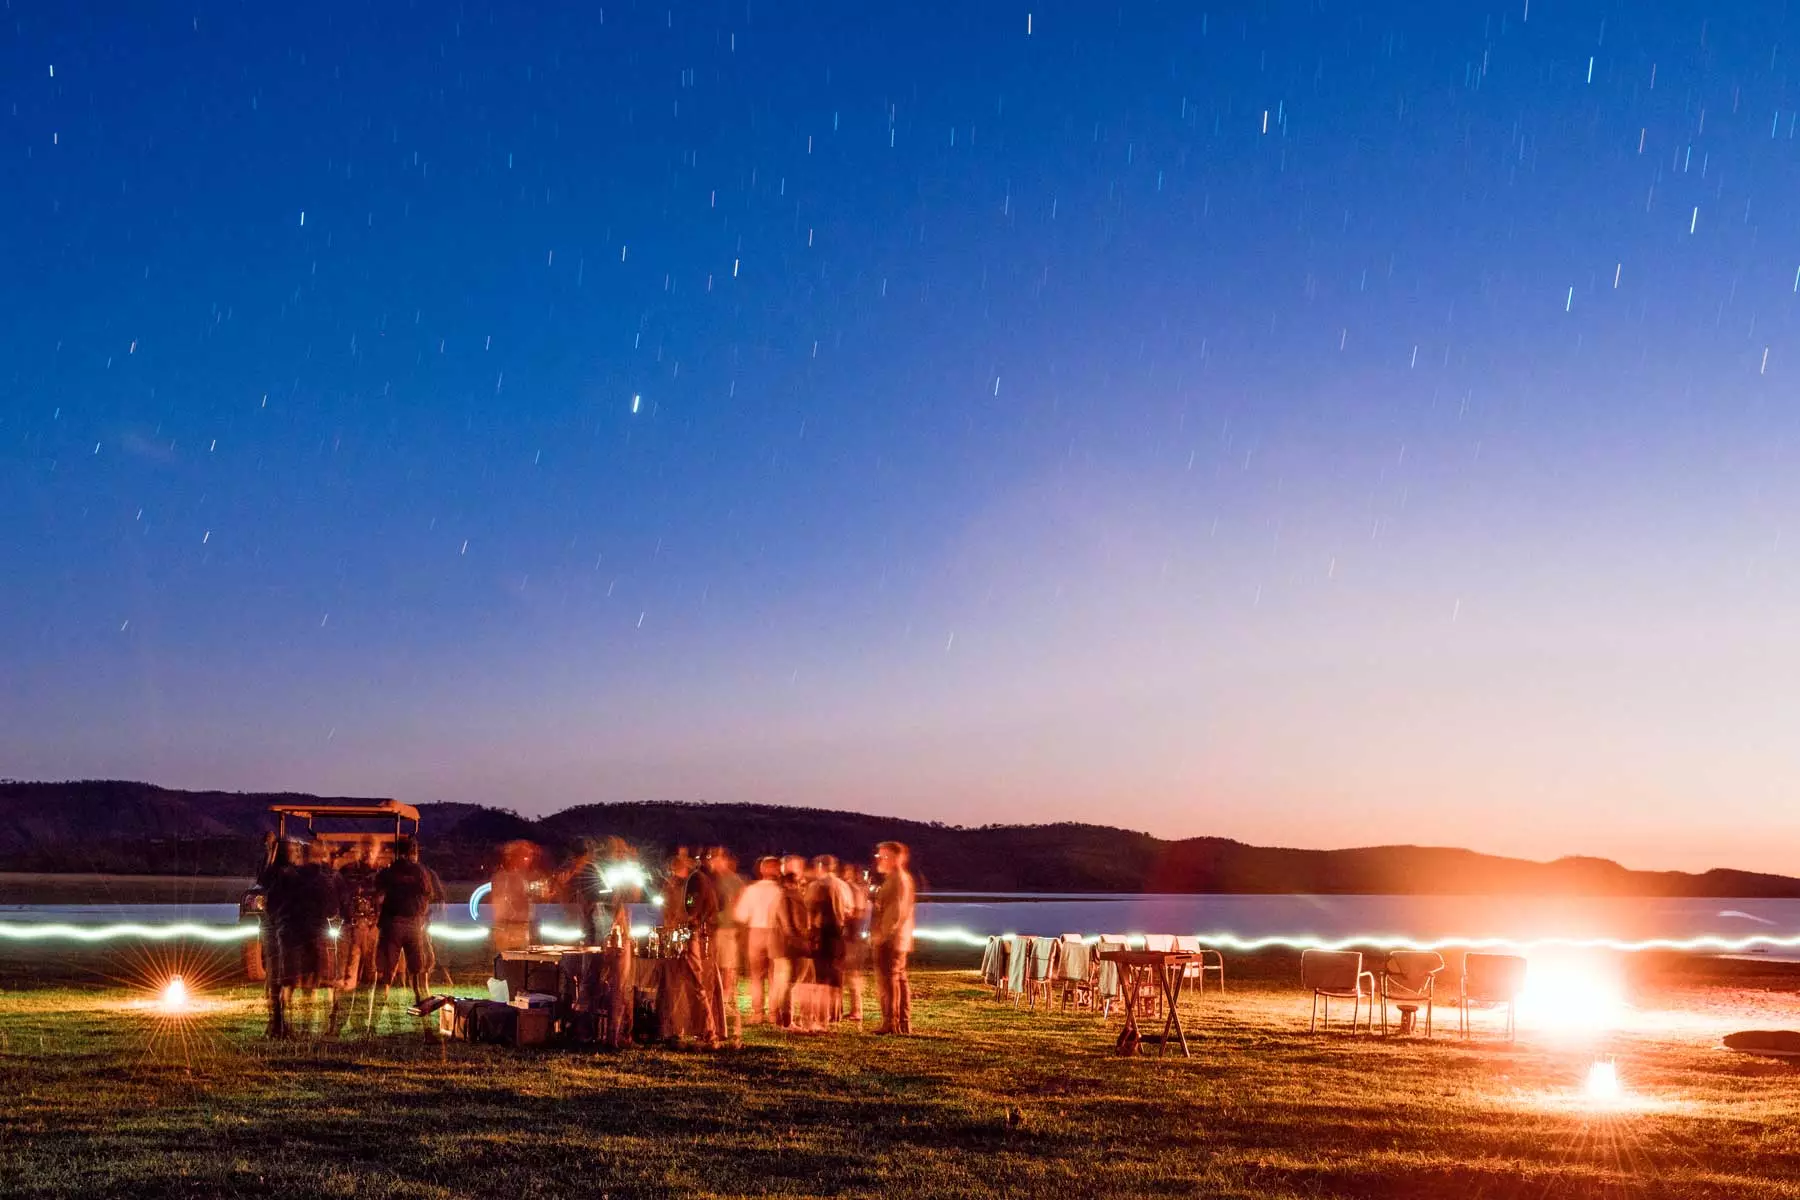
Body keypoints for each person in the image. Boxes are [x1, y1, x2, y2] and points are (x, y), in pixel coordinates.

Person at [375, 836, 441, 1011]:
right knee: (416, 971)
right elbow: (428, 894)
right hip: (414, 925)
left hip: (392, 925)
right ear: (414, 852)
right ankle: (422, 1008)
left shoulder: (388, 873)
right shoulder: (422, 872)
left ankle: (376, 1014)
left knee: (386, 972)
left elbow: (378, 895)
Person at [870, 841, 916, 1035]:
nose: (879, 860)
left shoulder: (897, 881)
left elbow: (895, 912)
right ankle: (902, 1023)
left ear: (897, 858)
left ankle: (891, 1022)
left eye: (884, 856)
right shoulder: (899, 879)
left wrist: (882, 935)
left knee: (888, 981)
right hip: (898, 938)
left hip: (891, 940)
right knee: (898, 980)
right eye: (878, 856)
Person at [803, 855, 852, 1030]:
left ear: (820, 867)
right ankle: (836, 1012)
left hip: (822, 932)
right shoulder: (843, 886)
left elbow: (808, 909)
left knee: (821, 975)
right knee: (837, 973)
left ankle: (822, 1014)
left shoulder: (816, 886)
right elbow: (850, 910)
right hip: (839, 933)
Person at [684, 846, 727, 1047]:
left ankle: (707, 1030)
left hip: (698, 936)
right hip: (708, 934)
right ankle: (712, 1028)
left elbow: (692, 904)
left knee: (698, 982)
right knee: (706, 983)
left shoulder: (696, 879)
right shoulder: (709, 879)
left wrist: (690, 918)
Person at [733, 856, 783, 1024]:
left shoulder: (752, 890)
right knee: (774, 975)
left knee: (756, 976)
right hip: (776, 933)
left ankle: (757, 1012)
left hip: (755, 932)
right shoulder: (780, 891)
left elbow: (740, 915)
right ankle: (774, 1013)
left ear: (762, 870)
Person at [257, 837, 297, 1038]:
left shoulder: (273, 874)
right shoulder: (290, 875)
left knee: (276, 978)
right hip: (282, 929)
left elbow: (262, 879)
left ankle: (277, 1022)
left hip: (276, 928)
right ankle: (279, 1022)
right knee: (280, 977)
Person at [770, 855, 813, 1030]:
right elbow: (790, 924)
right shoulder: (789, 898)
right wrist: (803, 938)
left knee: (785, 983)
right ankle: (787, 1020)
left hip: (783, 945)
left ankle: (782, 1018)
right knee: (790, 983)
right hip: (790, 946)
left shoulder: (783, 897)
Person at [708, 847, 746, 1041]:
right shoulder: (711, 879)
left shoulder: (733, 881)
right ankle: (717, 997)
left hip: (728, 929)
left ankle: (725, 997)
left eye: (716, 858)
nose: (713, 862)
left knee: (728, 965)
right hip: (714, 929)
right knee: (715, 964)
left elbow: (740, 905)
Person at [336, 837, 382, 992]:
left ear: (377, 852)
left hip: (373, 924)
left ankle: (371, 986)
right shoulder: (346, 871)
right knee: (351, 957)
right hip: (352, 923)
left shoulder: (381, 874)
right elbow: (338, 894)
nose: (368, 854)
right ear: (358, 851)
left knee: (372, 961)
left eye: (371, 850)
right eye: (365, 849)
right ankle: (348, 985)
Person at [838, 862, 872, 1022]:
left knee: (851, 975)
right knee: (849, 975)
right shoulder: (851, 889)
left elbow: (858, 914)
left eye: (847, 871)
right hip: (852, 937)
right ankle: (851, 1009)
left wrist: (845, 919)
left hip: (851, 938)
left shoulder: (852, 890)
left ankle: (856, 1010)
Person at [490, 840, 535, 955]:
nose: (528, 860)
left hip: (515, 927)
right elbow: (508, 902)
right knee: (514, 962)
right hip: (511, 929)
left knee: (516, 964)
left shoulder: (516, 877)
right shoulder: (506, 878)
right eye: (525, 856)